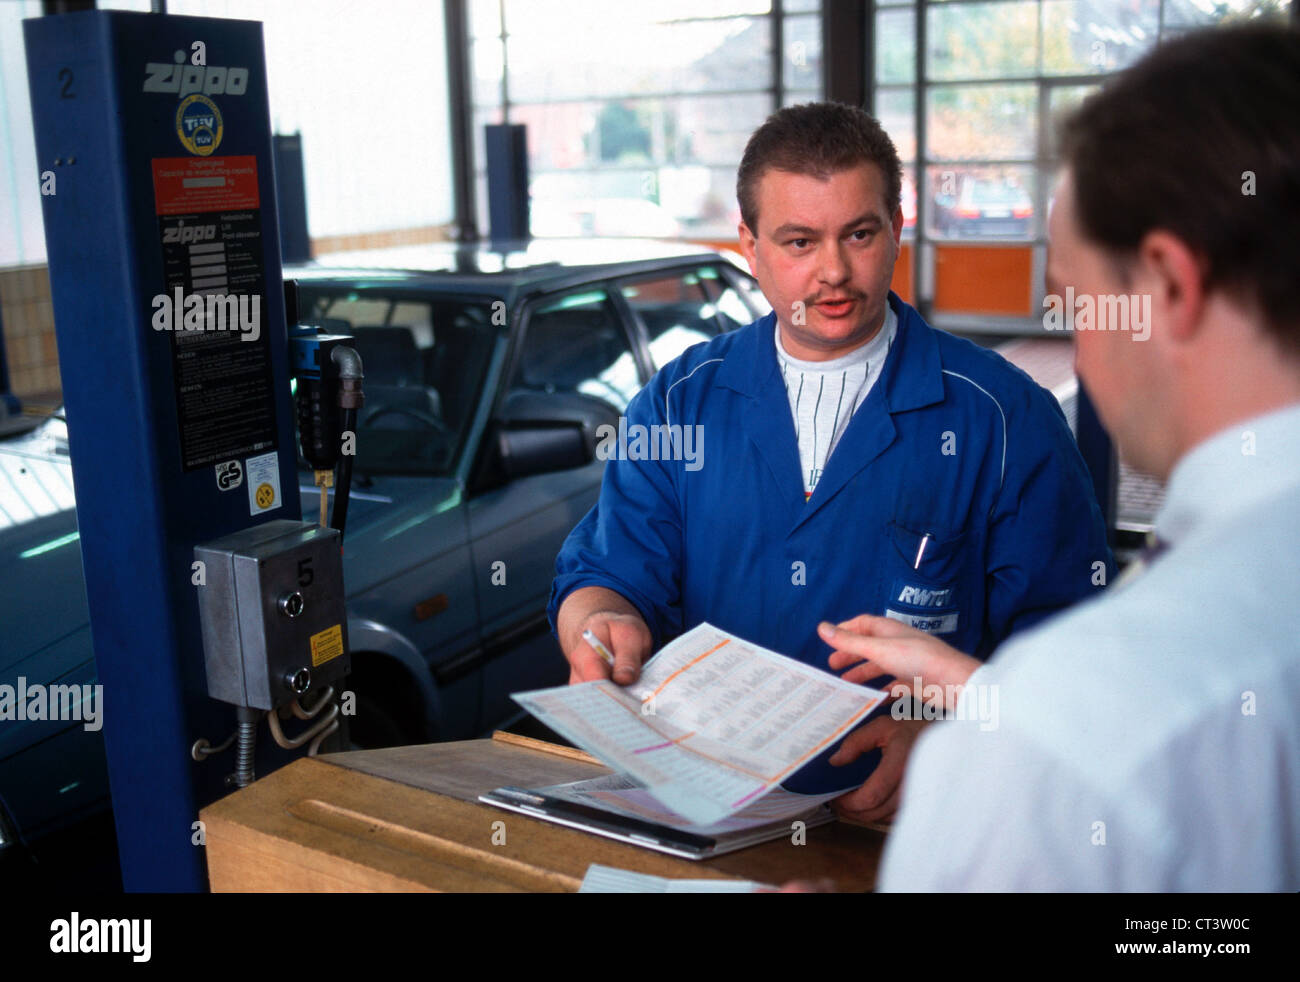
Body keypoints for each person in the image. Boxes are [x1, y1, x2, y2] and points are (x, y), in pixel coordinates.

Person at [817, 22, 1300, 889]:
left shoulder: (1057, 741)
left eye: (1076, 304)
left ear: (1169, 287)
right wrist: (979, 687)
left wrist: (1026, 713)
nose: (1079, 348)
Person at [547, 102, 1112, 817]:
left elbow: (1070, 646)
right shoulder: (678, 403)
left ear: (898, 229)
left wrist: (947, 726)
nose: (834, 272)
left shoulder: (1002, 418)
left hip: (912, 821)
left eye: (859, 234)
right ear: (749, 246)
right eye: (799, 242)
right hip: (699, 811)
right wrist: (598, 626)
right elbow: (607, 574)